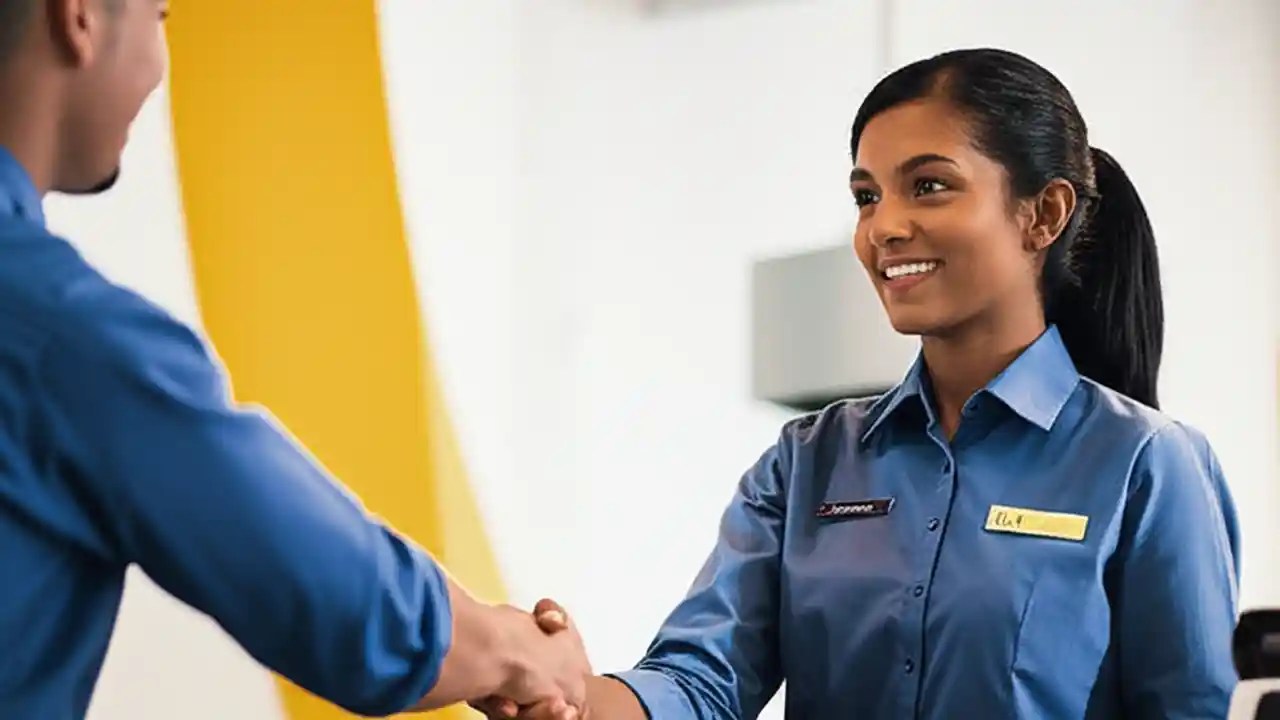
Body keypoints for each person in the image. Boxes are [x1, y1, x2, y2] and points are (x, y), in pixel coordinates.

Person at [481, 48, 1242, 719]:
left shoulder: (1146, 463)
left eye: (930, 186)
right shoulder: (807, 461)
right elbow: (701, 685)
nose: (883, 227)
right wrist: (571, 698)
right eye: (867, 196)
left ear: (1041, 214)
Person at [0, 1, 588, 717]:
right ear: (82, 17)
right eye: (160, 16)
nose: (159, 65)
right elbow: (342, 602)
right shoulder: (59, 332)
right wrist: (519, 653)